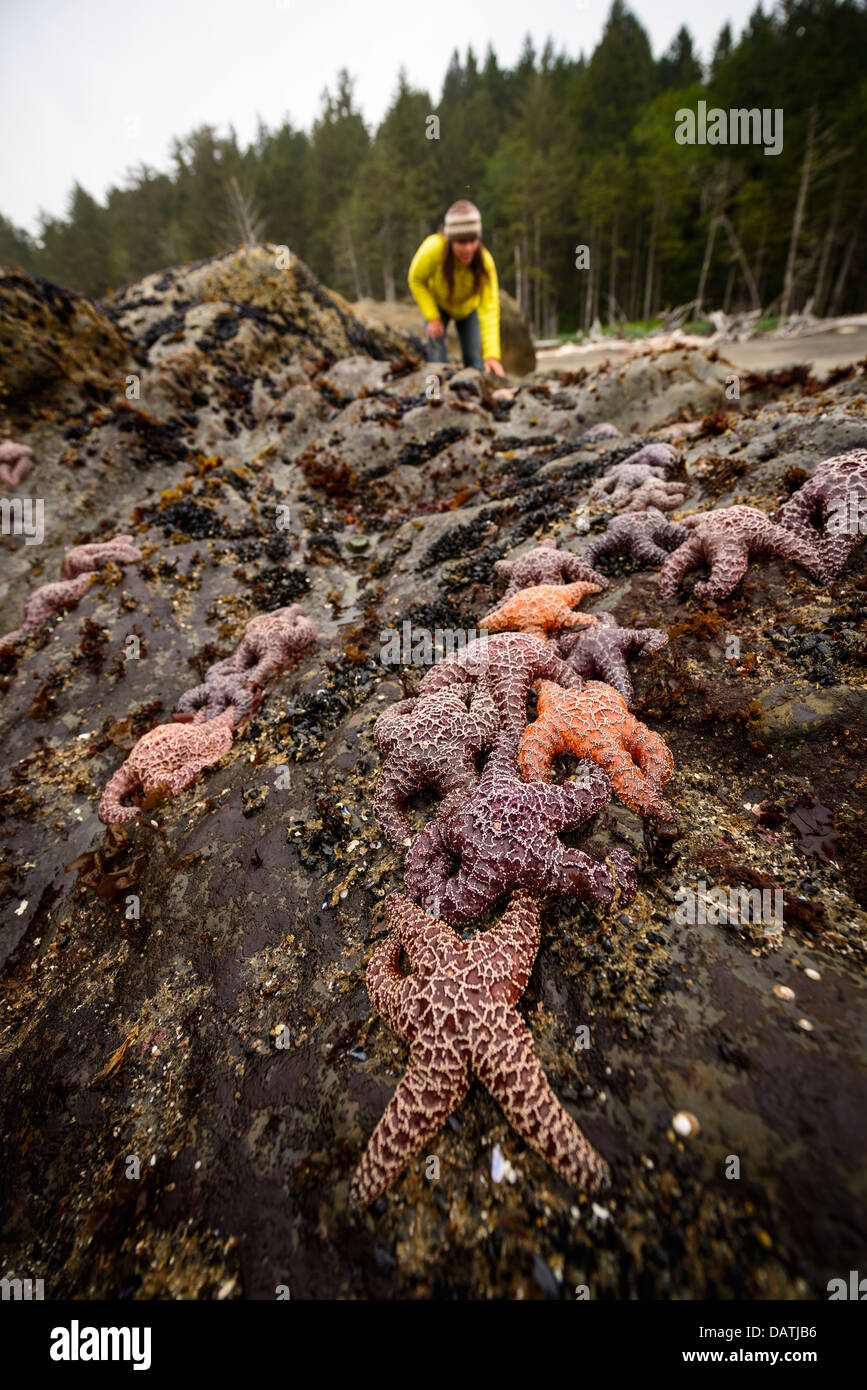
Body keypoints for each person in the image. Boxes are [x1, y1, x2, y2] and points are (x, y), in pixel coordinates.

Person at [407, 200, 505, 377]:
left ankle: (475, 397)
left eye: (472, 241)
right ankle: (434, 395)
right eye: (461, 242)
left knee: (473, 359)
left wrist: (492, 355)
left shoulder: (485, 262)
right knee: (435, 350)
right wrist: (432, 317)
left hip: (468, 310)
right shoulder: (433, 248)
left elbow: (489, 309)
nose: (468, 248)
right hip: (438, 305)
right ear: (450, 239)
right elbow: (416, 279)